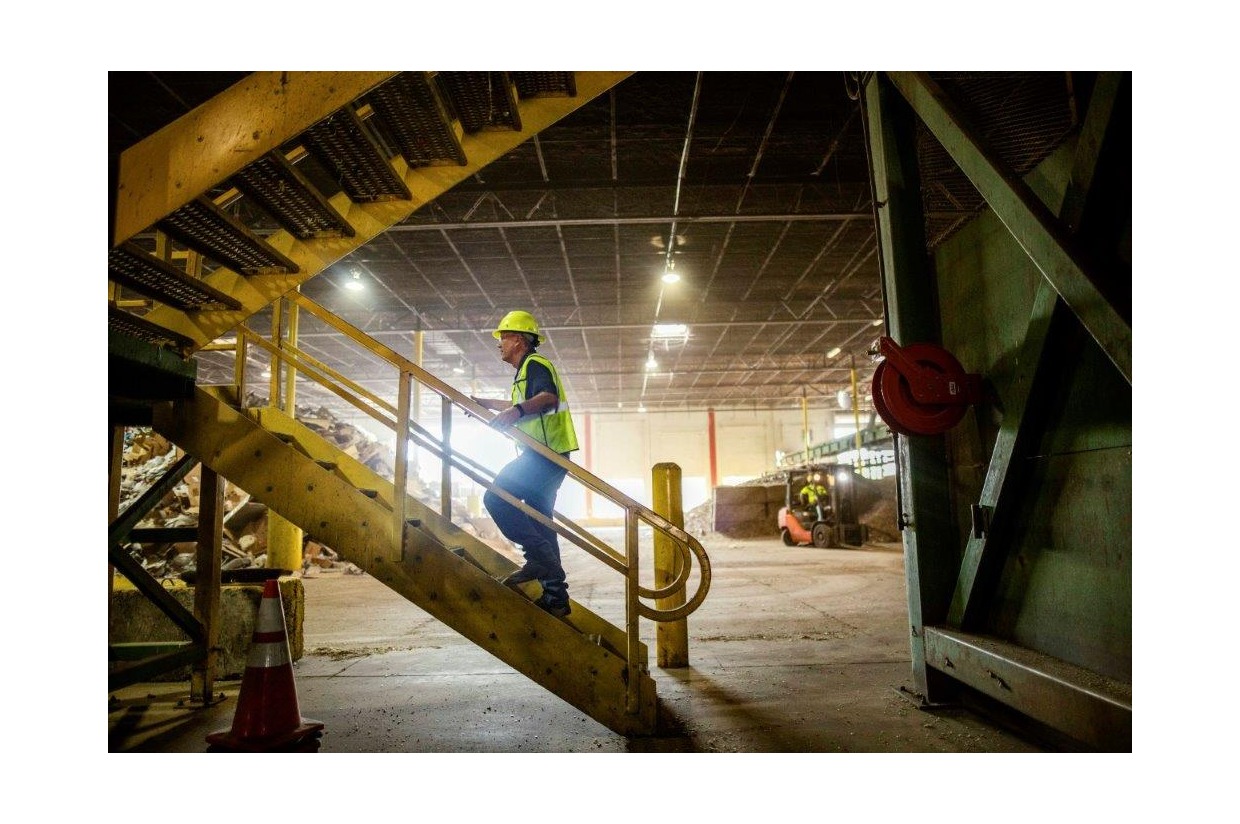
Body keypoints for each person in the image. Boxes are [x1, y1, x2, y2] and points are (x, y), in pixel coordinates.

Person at [470, 310, 579, 618]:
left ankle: (539, 558)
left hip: (544, 456)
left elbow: (547, 399)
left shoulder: (535, 364)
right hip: (548, 456)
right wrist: (487, 405)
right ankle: (556, 597)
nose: (499, 344)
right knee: (540, 520)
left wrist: (514, 413)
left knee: (496, 498)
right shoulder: (524, 373)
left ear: (517, 340)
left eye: (503, 338)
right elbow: (525, 402)